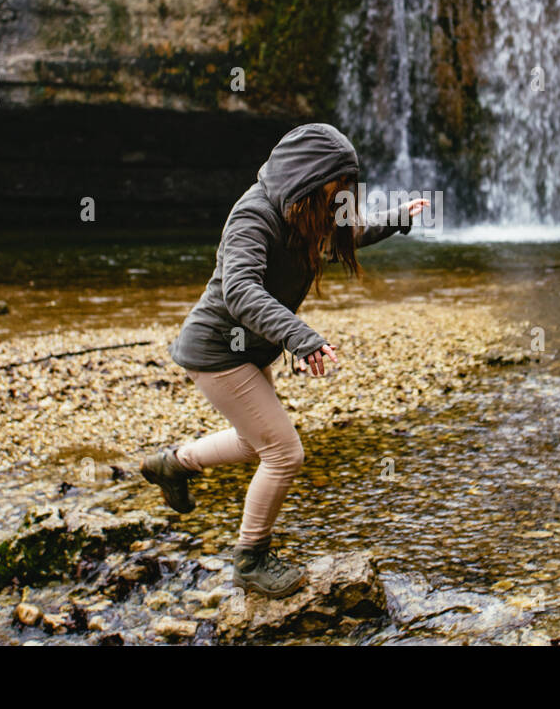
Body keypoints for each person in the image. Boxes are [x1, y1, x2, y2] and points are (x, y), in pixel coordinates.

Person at [142, 123, 430, 598]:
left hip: (249, 349)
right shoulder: (252, 216)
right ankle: (250, 559)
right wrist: (301, 338)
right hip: (218, 352)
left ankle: (173, 465)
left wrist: (398, 218)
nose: (339, 204)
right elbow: (240, 290)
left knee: (256, 443)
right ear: (307, 182)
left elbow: (345, 233)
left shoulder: (304, 212)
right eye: (334, 192)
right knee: (284, 453)